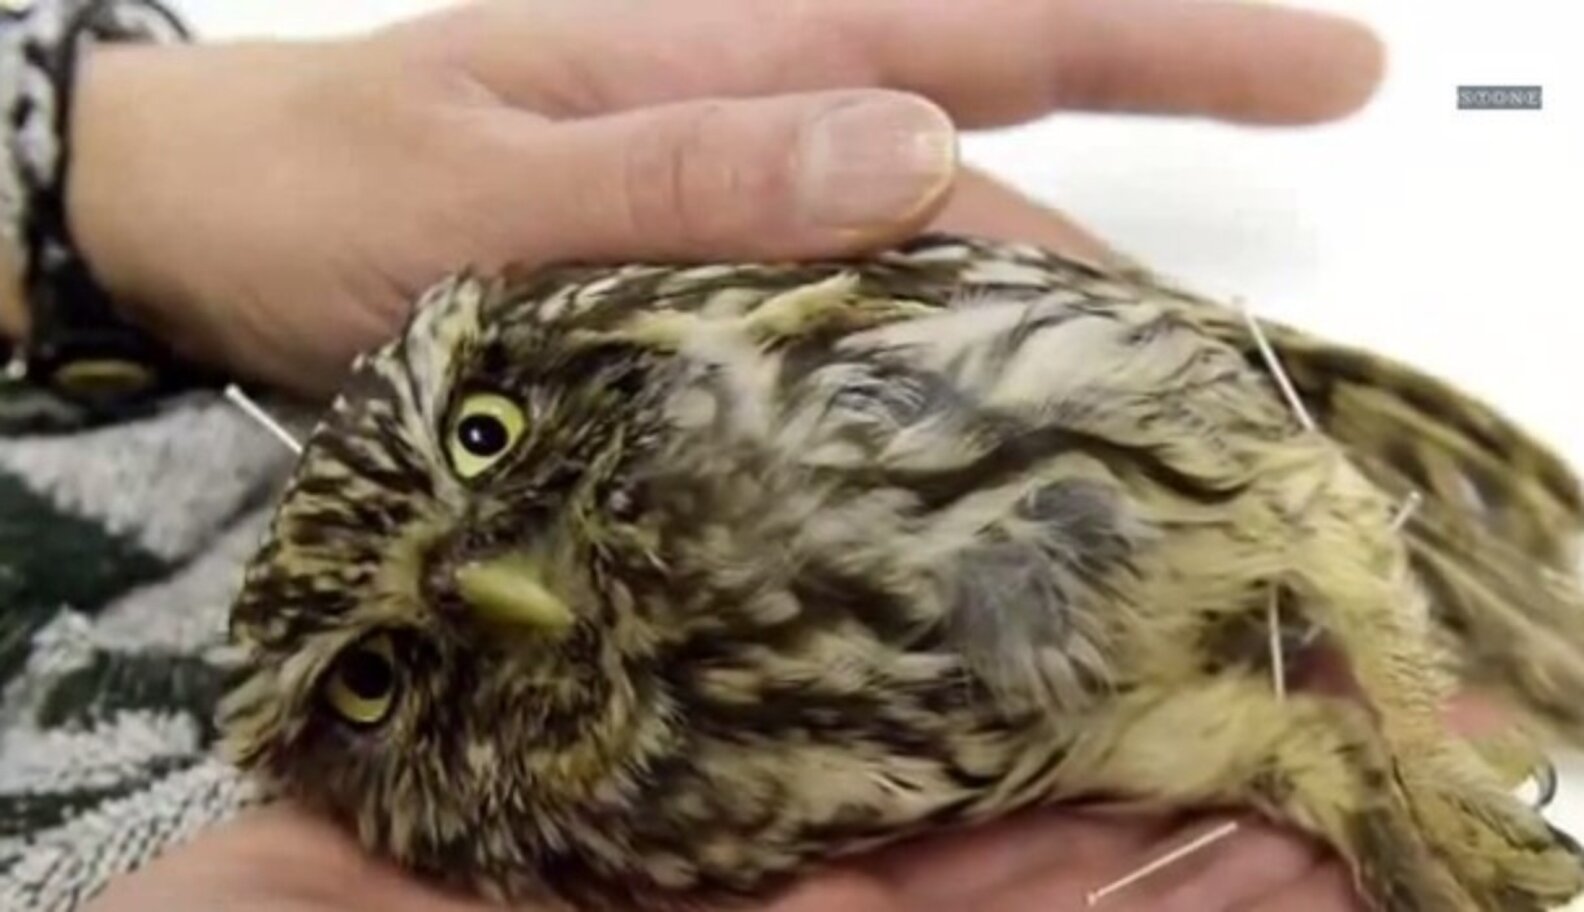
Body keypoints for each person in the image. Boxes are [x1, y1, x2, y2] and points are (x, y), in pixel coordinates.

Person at [0, 1, 1451, 910]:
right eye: (376, 679)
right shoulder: (539, 816)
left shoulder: (737, 425)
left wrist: (81, 166)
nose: (498, 587)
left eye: (487, 440)